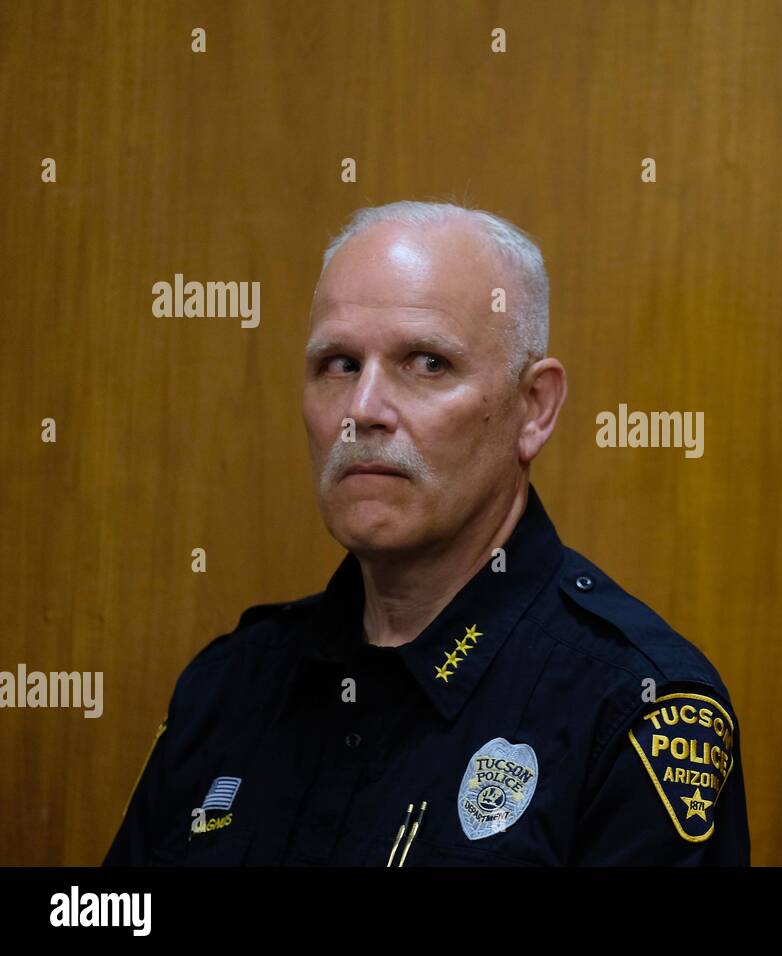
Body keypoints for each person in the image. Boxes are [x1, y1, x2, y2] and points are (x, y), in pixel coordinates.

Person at [103, 200, 749, 866]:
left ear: (535, 408)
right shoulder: (231, 684)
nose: (362, 412)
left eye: (427, 363)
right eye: (340, 365)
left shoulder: (632, 708)